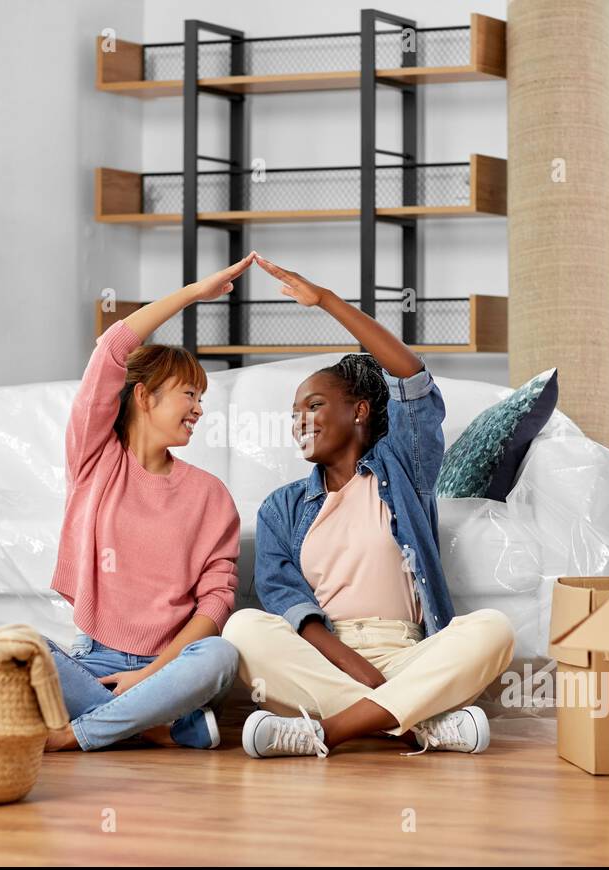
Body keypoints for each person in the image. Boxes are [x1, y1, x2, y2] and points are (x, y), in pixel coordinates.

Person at [222, 253, 515, 759]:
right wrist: (363, 674)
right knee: (242, 629)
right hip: (326, 658)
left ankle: (328, 731)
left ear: (359, 411)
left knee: (494, 630)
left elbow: (411, 378)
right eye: (294, 414)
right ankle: (416, 722)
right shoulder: (281, 508)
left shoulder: (401, 468)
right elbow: (288, 604)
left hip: (411, 654)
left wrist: (328, 302)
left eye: (313, 406)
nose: (300, 422)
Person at [43, 255, 254, 752]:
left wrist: (150, 679)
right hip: (93, 661)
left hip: (175, 667)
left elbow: (217, 602)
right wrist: (191, 294)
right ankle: (158, 725)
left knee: (220, 656)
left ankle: (83, 732)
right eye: (188, 394)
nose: (199, 409)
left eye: (201, 398)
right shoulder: (95, 461)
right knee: (17, 649)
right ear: (143, 397)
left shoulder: (210, 496)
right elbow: (111, 349)